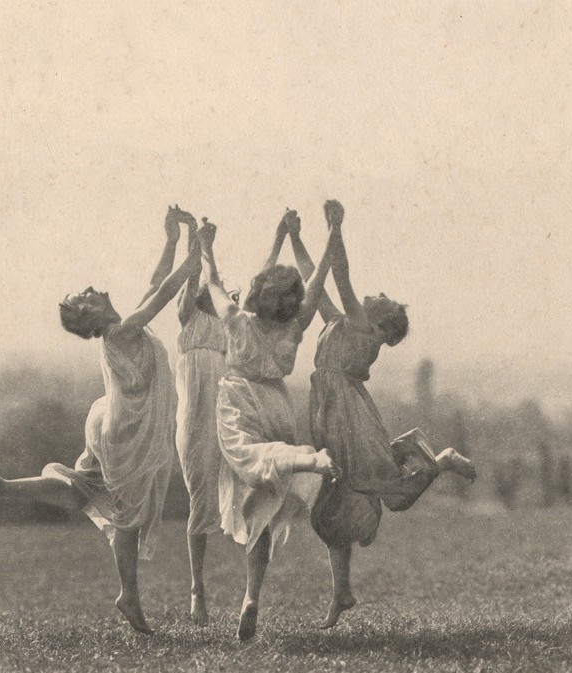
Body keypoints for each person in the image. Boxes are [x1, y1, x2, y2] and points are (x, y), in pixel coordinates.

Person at [0, 207, 199, 635]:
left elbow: (154, 285)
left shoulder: (122, 329)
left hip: (111, 421)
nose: (91, 289)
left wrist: (172, 239)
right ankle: (128, 594)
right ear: (92, 315)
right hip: (125, 433)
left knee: (81, 490)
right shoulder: (123, 331)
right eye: (84, 296)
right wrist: (197, 247)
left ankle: (5, 486)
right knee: (126, 517)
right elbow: (164, 292)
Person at [281, 204, 476, 629]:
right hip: (332, 412)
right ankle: (341, 592)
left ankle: (438, 460)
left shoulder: (360, 325)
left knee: (387, 491)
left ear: (382, 324)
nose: (376, 294)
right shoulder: (342, 322)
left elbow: (341, 275)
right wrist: (297, 237)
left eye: (382, 301)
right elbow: (317, 278)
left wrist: (335, 228)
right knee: (335, 501)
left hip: (347, 413)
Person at [199, 208, 340, 641]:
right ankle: (251, 596)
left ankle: (306, 459)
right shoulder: (295, 326)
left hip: (240, 401)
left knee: (250, 460)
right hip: (277, 403)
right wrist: (326, 231)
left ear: (257, 295)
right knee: (264, 505)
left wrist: (206, 246)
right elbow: (316, 279)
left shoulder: (237, 321)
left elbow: (213, 282)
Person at [172, 209, 242, 626]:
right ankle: (197, 587)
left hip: (225, 406)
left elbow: (215, 281)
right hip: (194, 416)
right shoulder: (190, 318)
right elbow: (191, 283)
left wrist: (208, 246)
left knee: (241, 485)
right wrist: (196, 244)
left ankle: (249, 587)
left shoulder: (226, 329)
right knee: (200, 497)